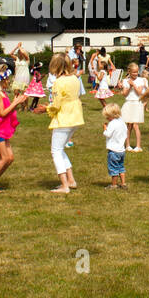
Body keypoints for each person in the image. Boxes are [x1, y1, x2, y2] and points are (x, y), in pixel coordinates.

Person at [46, 53, 84, 193]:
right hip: (75, 117)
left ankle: (64, 185)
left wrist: (47, 109)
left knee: (55, 151)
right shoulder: (74, 78)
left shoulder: (58, 82)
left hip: (64, 118)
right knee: (60, 149)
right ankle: (71, 180)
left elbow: (56, 104)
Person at [118, 63, 148, 152]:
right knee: (128, 125)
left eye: (137, 72)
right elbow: (124, 94)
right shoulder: (125, 81)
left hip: (137, 103)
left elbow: (139, 93)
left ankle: (138, 146)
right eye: (133, 72)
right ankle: (127, 145)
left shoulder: (141, 80)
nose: (135, 74)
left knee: (135, 125)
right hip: (128, 103)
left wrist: (133, 85)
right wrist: (129, 86)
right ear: (129, 72)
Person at [102, 103, 128, 189]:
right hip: (121, 150)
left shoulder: (112, 124)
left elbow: (108, 134)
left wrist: (105, 128)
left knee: (113, 168)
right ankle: (123, 183)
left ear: (111, 115)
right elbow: (126, 132)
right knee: (121, 167)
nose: (107, 118)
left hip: (113, 150)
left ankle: (114, 185)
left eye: (107, 117)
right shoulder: (122, 121)